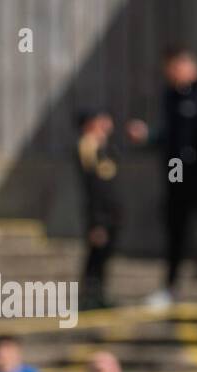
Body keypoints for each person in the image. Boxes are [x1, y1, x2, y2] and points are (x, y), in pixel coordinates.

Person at [128, 47, 197, 308]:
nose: (171, 75)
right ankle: (170, 289)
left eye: (173, 69)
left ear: (186, 64)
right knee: (176, 233)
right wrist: (147, 137)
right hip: (177, 176)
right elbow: (169, 135)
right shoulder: (171, 96)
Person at [77, 110, 120, 310]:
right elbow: (93, 185)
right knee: (95, 254)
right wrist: (97, 221)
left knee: (104, 256)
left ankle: (99, 293)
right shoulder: (88, 146)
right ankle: (89, 296)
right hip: (99, 213)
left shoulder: (104, 146)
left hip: (110, 212)